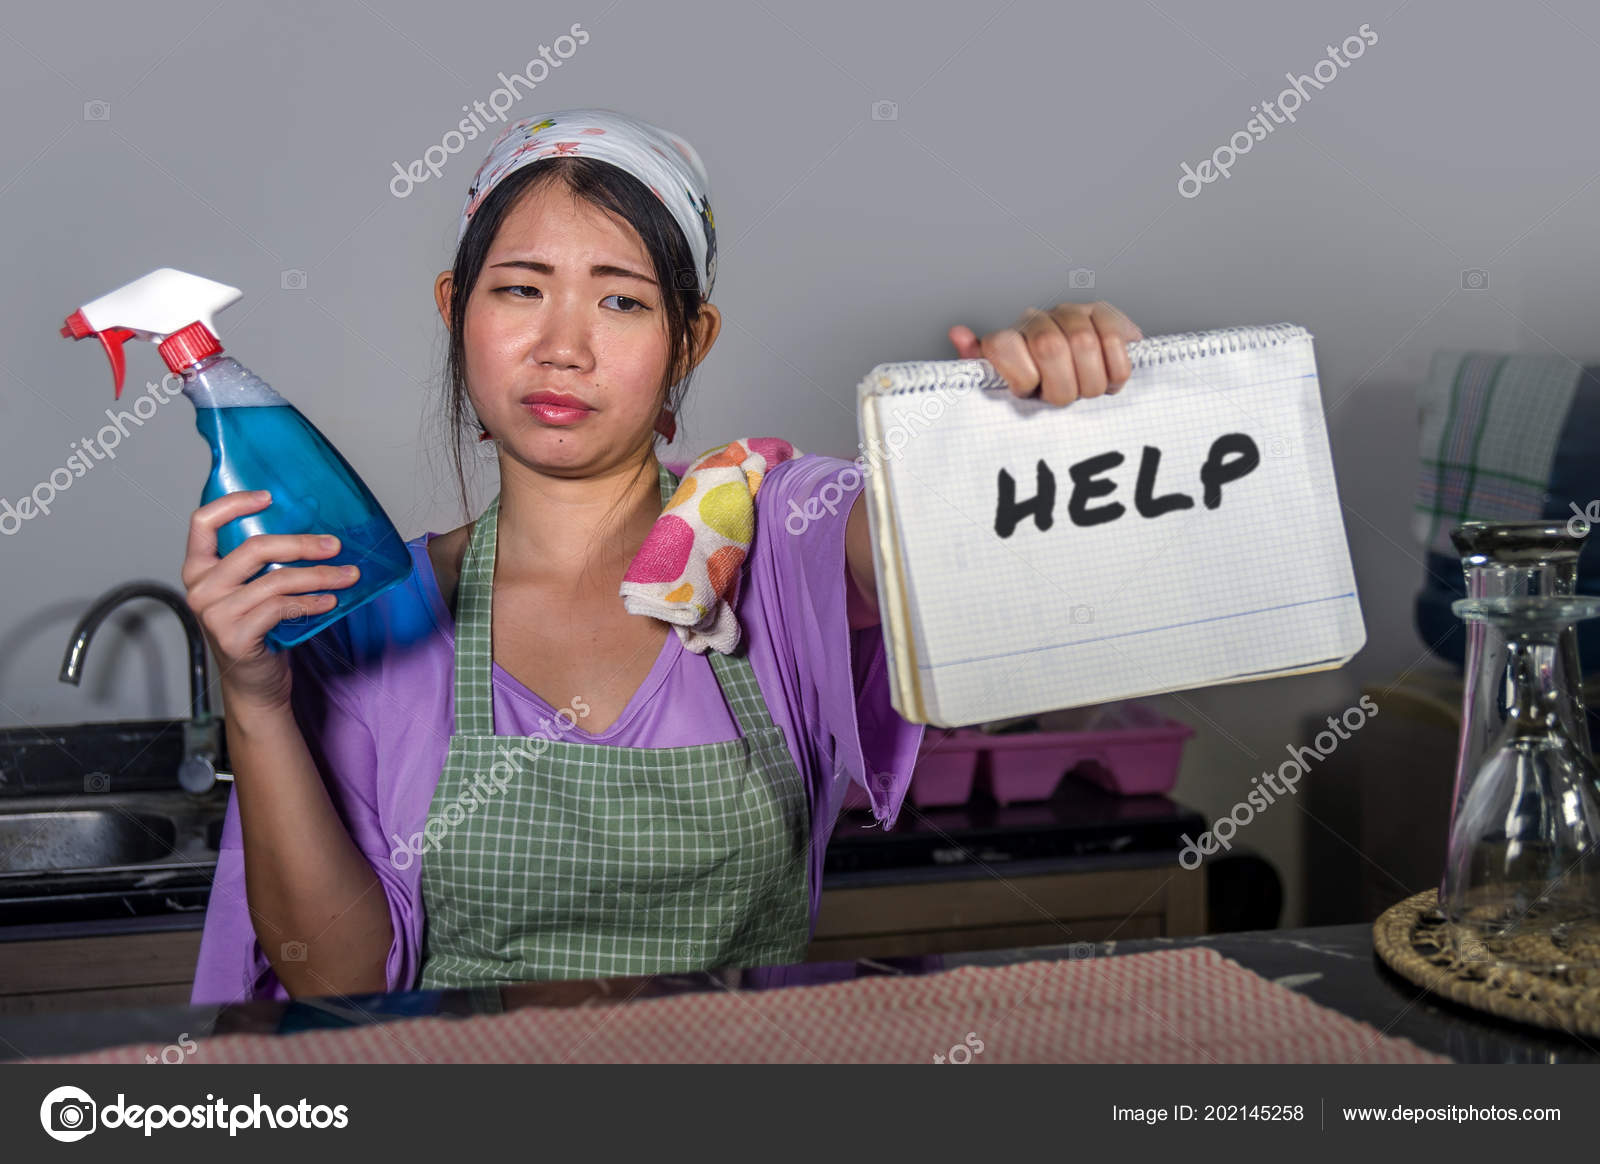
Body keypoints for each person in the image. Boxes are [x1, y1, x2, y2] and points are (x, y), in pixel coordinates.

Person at [185, 107, 1143, 1003]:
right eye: (521, 290)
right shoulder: (373, 612)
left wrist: (1029, 419)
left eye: (622, 302)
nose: (562, 347)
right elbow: (339, 981)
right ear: (455, 309)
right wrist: (258, 703)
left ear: (690, 341)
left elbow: (933, 531)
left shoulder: (771, 543)